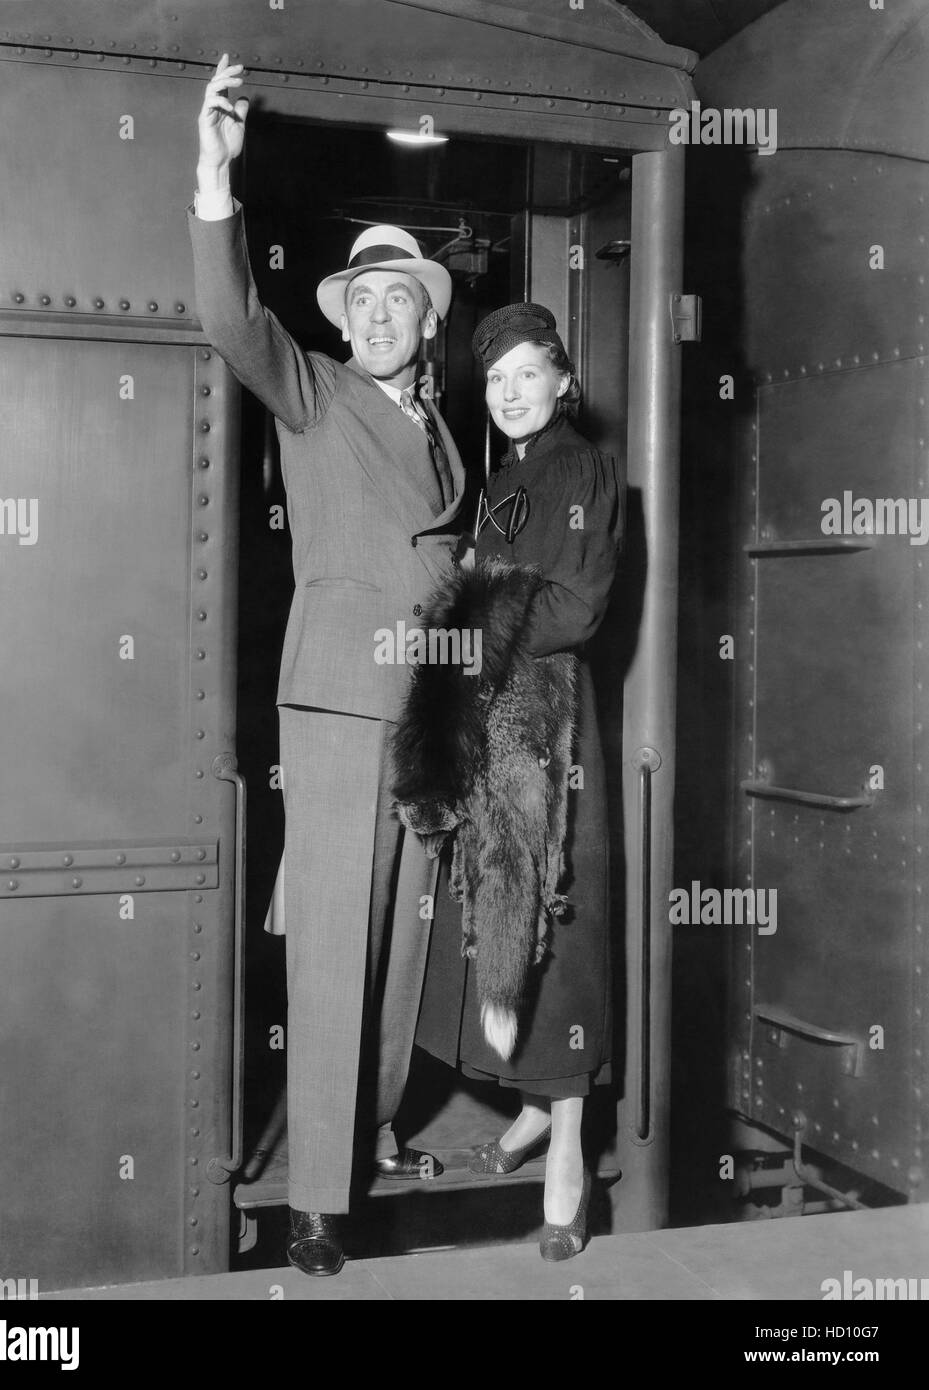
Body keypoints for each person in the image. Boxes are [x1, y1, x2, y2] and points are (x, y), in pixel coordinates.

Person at [188, 57, 466, 1276]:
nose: (371, 314)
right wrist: (214, 182)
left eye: (392, 301)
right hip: (346, 700)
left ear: (425, 318)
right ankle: (316, 1200)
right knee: (337, 945)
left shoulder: (446, 432)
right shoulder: (315, 393)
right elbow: (232, 320)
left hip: (427, 713)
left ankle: (373, 1134)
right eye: (357, 298)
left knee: (403, 941)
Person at [409, 303, 622, 1260]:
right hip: (497, 728)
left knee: (555, 932)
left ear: (563, 382)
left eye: (529, 374)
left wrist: (467, 642)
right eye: (496, 380)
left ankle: (569, 1156)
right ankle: (535, 1108)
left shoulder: (575, 465)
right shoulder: (507, 479)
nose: (511, 392)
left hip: (548, 734)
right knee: (500, 916)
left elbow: (574, 611)